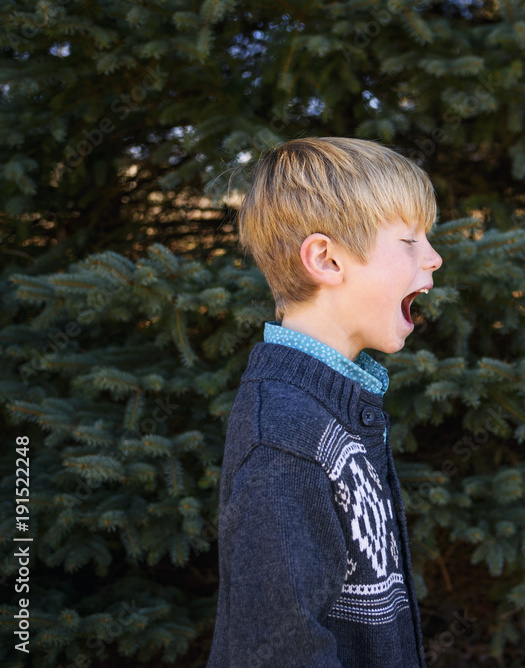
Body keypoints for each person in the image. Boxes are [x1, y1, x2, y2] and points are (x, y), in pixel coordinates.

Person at [207, 137, 442, 668]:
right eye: (409, 240)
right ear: (326, 259)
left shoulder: (332, 407)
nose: (433, 257)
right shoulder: (284, 437)